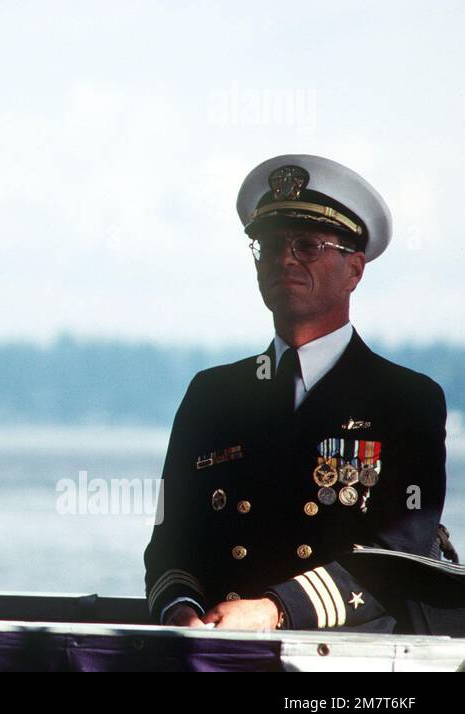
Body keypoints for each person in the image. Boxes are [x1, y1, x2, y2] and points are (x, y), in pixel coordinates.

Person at [144, 154, 453, 632]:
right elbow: (169, 543)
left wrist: (274, 609)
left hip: (344, 671)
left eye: (306, 245)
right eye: (267, 247)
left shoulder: (406, 401)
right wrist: (179, 610)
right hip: (214, 655)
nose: (283, 259)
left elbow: (400, 552)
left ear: (354, 269)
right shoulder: (212, 396)